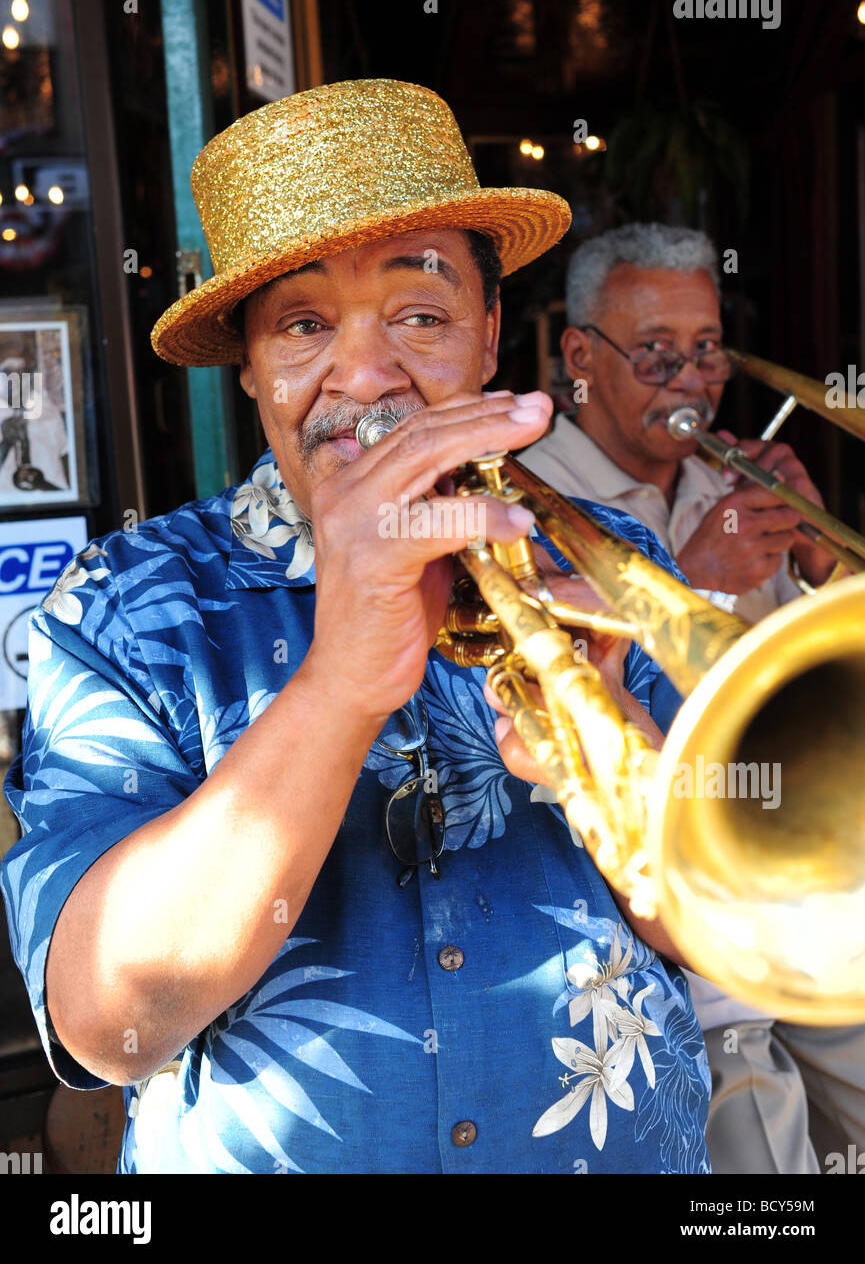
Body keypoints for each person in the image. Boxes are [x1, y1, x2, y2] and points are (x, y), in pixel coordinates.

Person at [0, 83, 711, 1175]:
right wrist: (337, 685)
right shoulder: (123, 607)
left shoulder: (613, 565)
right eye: (302, 324)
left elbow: (723, 931)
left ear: (486, 335)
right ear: (250, 364)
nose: (367, 375)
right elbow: (106, 1021)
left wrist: (603, 754)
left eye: (419, 316)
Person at [520, 221, 865, 1173]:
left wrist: (817, 560)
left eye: (706, 350)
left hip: (809, 881)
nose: (691, 379)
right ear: (581, 357)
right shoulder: (526, 492)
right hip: (671, 928)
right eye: (657, 353)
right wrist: (694, 574)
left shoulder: (729, 474)